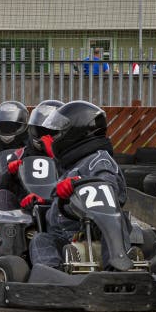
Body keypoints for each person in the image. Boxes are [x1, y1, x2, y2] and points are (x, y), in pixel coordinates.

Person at [27, 100, 126, 270]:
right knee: (39, 240)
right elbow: (62, 192)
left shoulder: (99, 160)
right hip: (63, 235)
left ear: (77, 132)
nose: (54, 137)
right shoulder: (74, 162)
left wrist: (76, 184)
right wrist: (46, 201)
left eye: (59, 132)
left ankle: (115, 271)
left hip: (90, 232)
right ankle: (55, 277)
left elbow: (108, 188)